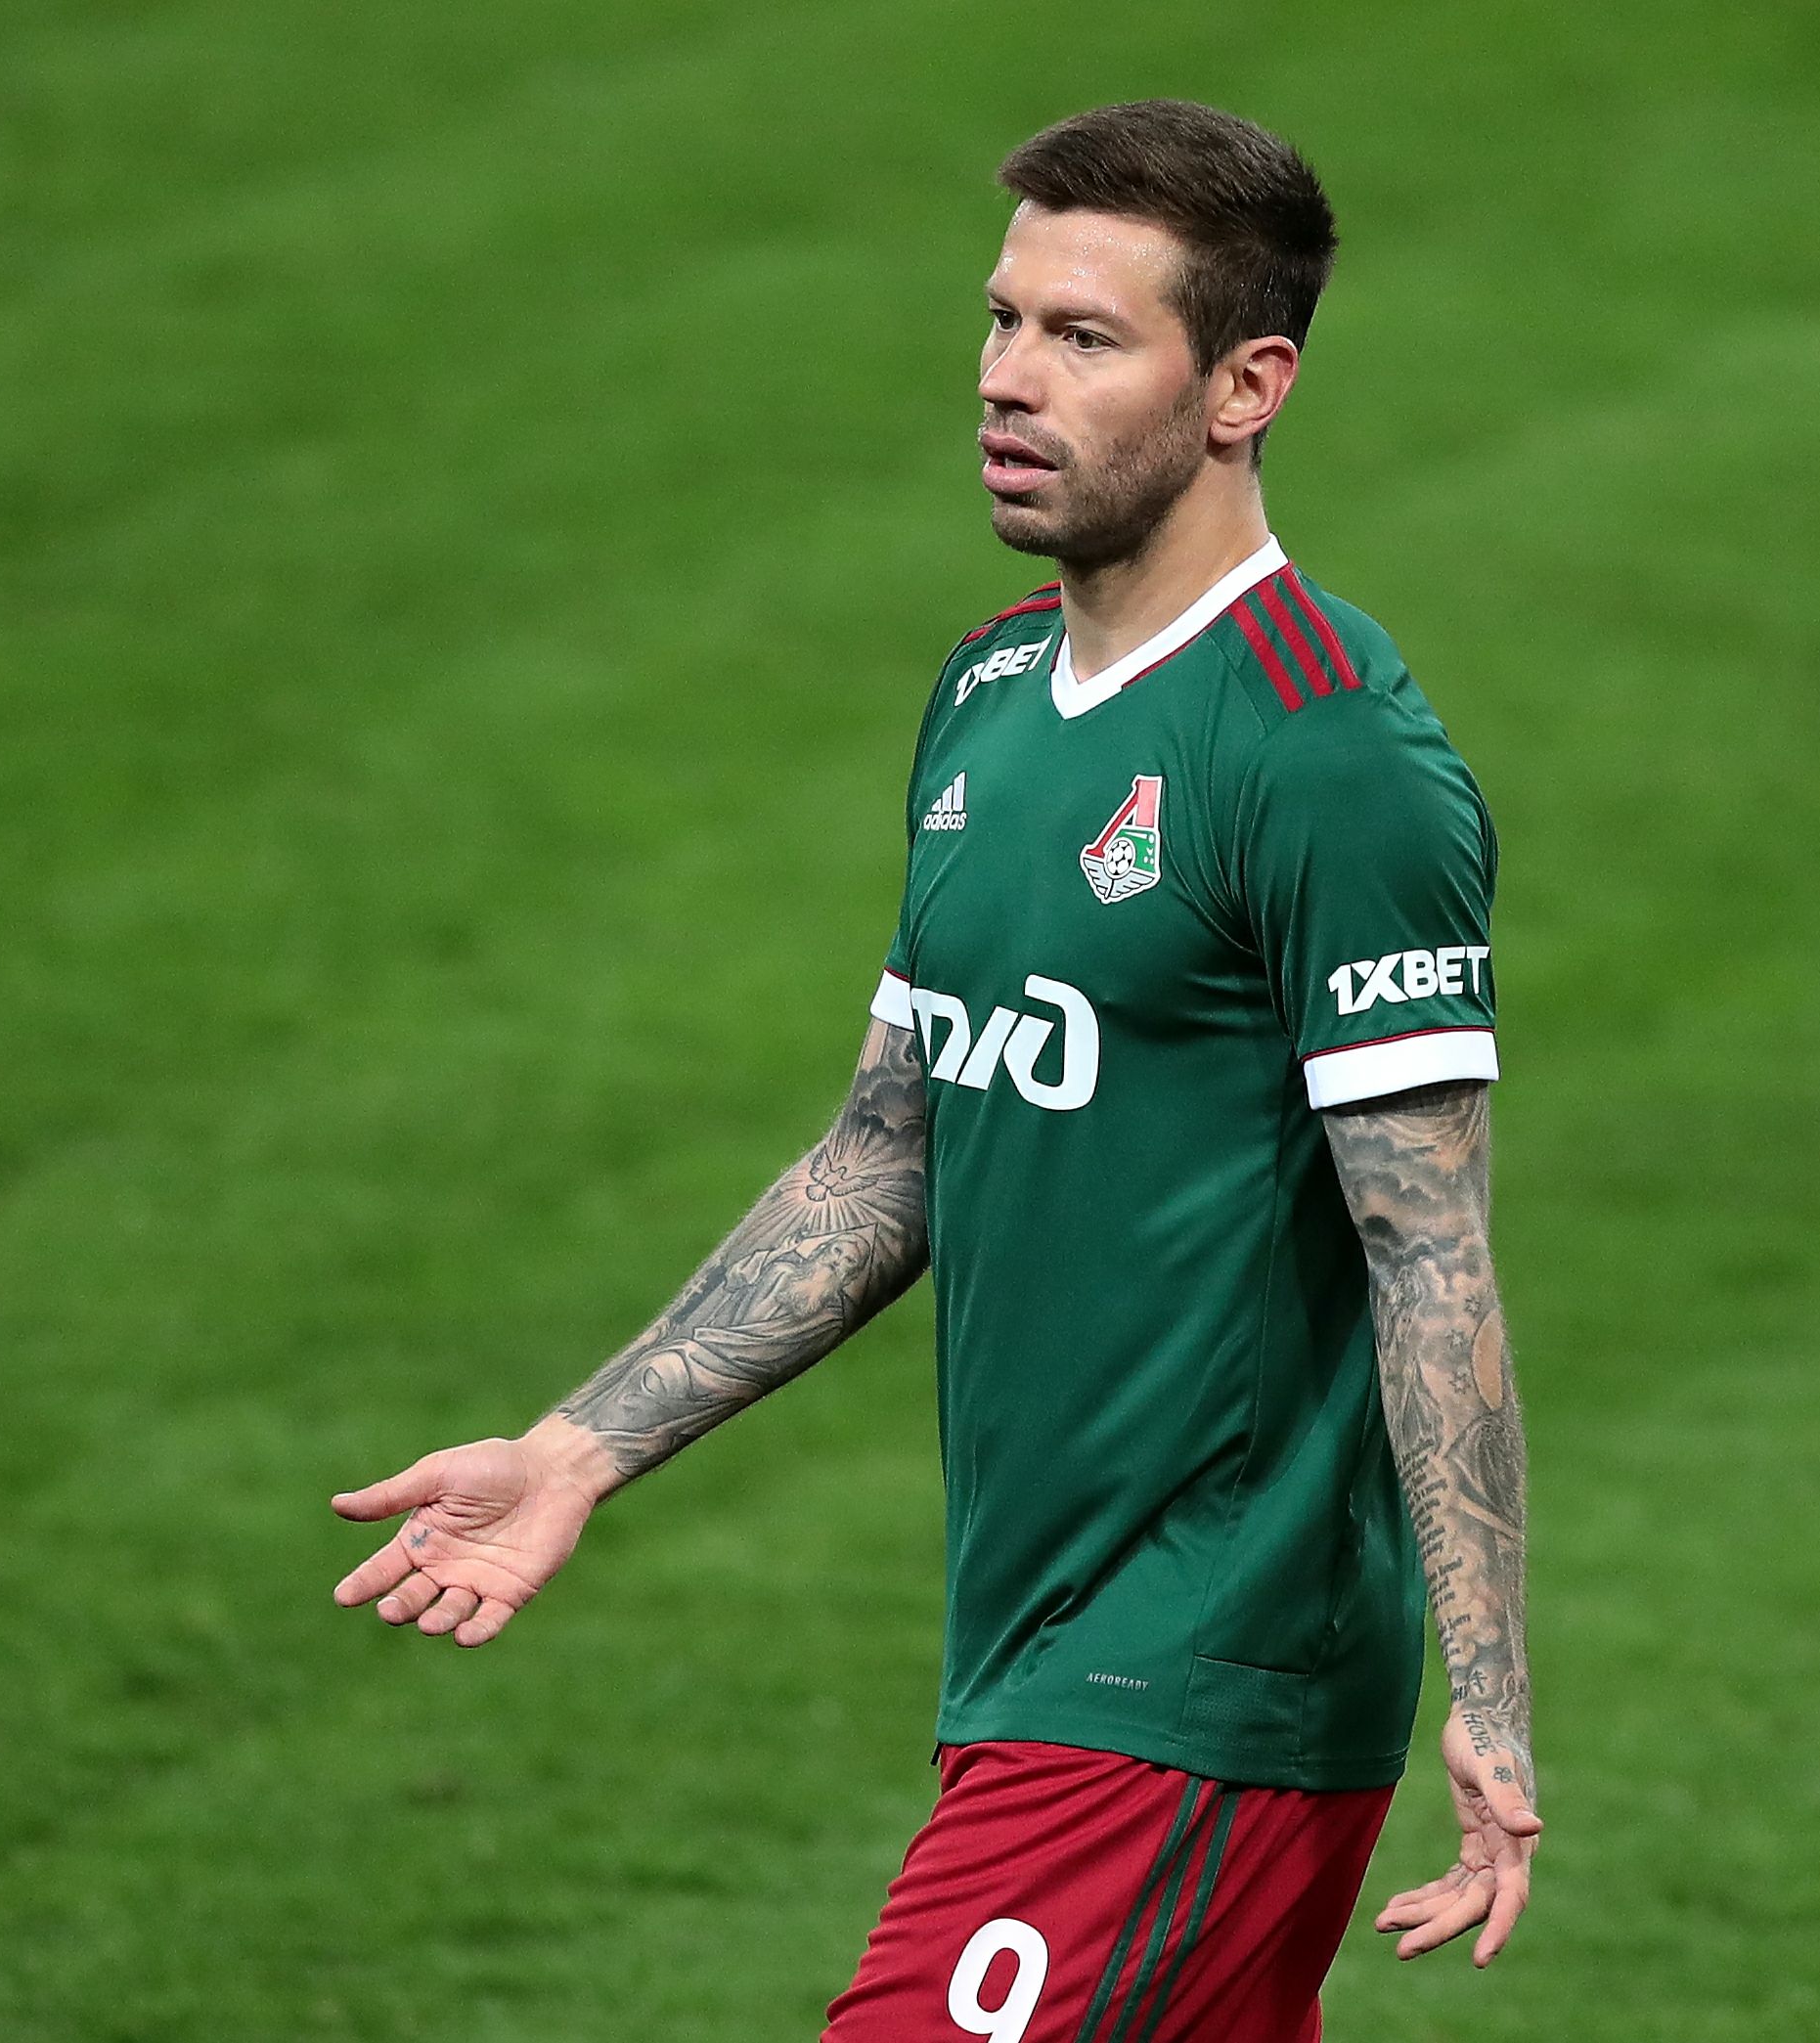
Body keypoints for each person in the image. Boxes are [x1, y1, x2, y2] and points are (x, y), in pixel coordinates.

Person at [329, 100, 1537, 2041]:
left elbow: (1426, 1244)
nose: (1003, 377)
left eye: (1082, 337)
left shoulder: (1325, 757)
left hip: (1191, 1679)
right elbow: (890, 1145)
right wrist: (574, 1448)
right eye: (1000, 319)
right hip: (1036, 1655)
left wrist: (1487, 1697)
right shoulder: (986, 695)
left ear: (1244, 387)